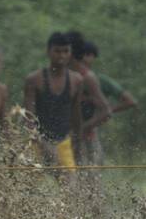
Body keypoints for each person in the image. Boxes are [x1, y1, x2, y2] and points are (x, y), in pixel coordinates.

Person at [22, 32, 84, 171]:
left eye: (65, 51)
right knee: (28, 188)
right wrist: (41, 143)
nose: (61, 55)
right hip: (37, 141)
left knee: (70, 185)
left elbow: (76, 115)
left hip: (63, 141)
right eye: (57, 51)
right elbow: (28, 117)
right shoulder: (34, 79)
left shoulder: (76, 80)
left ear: (70, 53)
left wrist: (78, 144)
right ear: (48, 52)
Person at [65, 32, 113, 178]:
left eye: (65, 50)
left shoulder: (87, 77)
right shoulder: (64, 75)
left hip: (88, 140)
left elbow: (106, 111)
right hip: (68, 139)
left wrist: (81, 129)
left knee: (90, 183)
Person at [79, 42, 137, 116]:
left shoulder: (102, 81)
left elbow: (130, 101)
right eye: (80, 55)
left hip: (90, 125)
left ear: (93, 57)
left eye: (87, 55)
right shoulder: (68, 78)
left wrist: (105, 111)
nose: (83, 58)